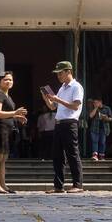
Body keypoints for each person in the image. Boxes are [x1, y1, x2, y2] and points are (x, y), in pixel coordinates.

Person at [41, 61, 85, 194]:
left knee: (72, 154)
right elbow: (53, 107)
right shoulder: (62, 88)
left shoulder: (76, 87)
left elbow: (75, 105)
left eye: (60, 73)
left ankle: (78, 184)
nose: (58, 76)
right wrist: (47, 98)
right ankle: (58, 186)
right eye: (57, 73)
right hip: (59, 123)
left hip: (70, 123)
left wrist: (57, 100)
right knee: (57, 156)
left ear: (68, 71)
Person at [0, 72, 27, 194]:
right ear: (0, 82)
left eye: (10, 80)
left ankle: (3, 185)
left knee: (4, 158)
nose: (8, 82)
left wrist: (17, 117)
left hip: (8, 129)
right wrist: (15, 113)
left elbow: (8, 114)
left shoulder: (8, 96)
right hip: (0, 129)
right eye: (6, 79)